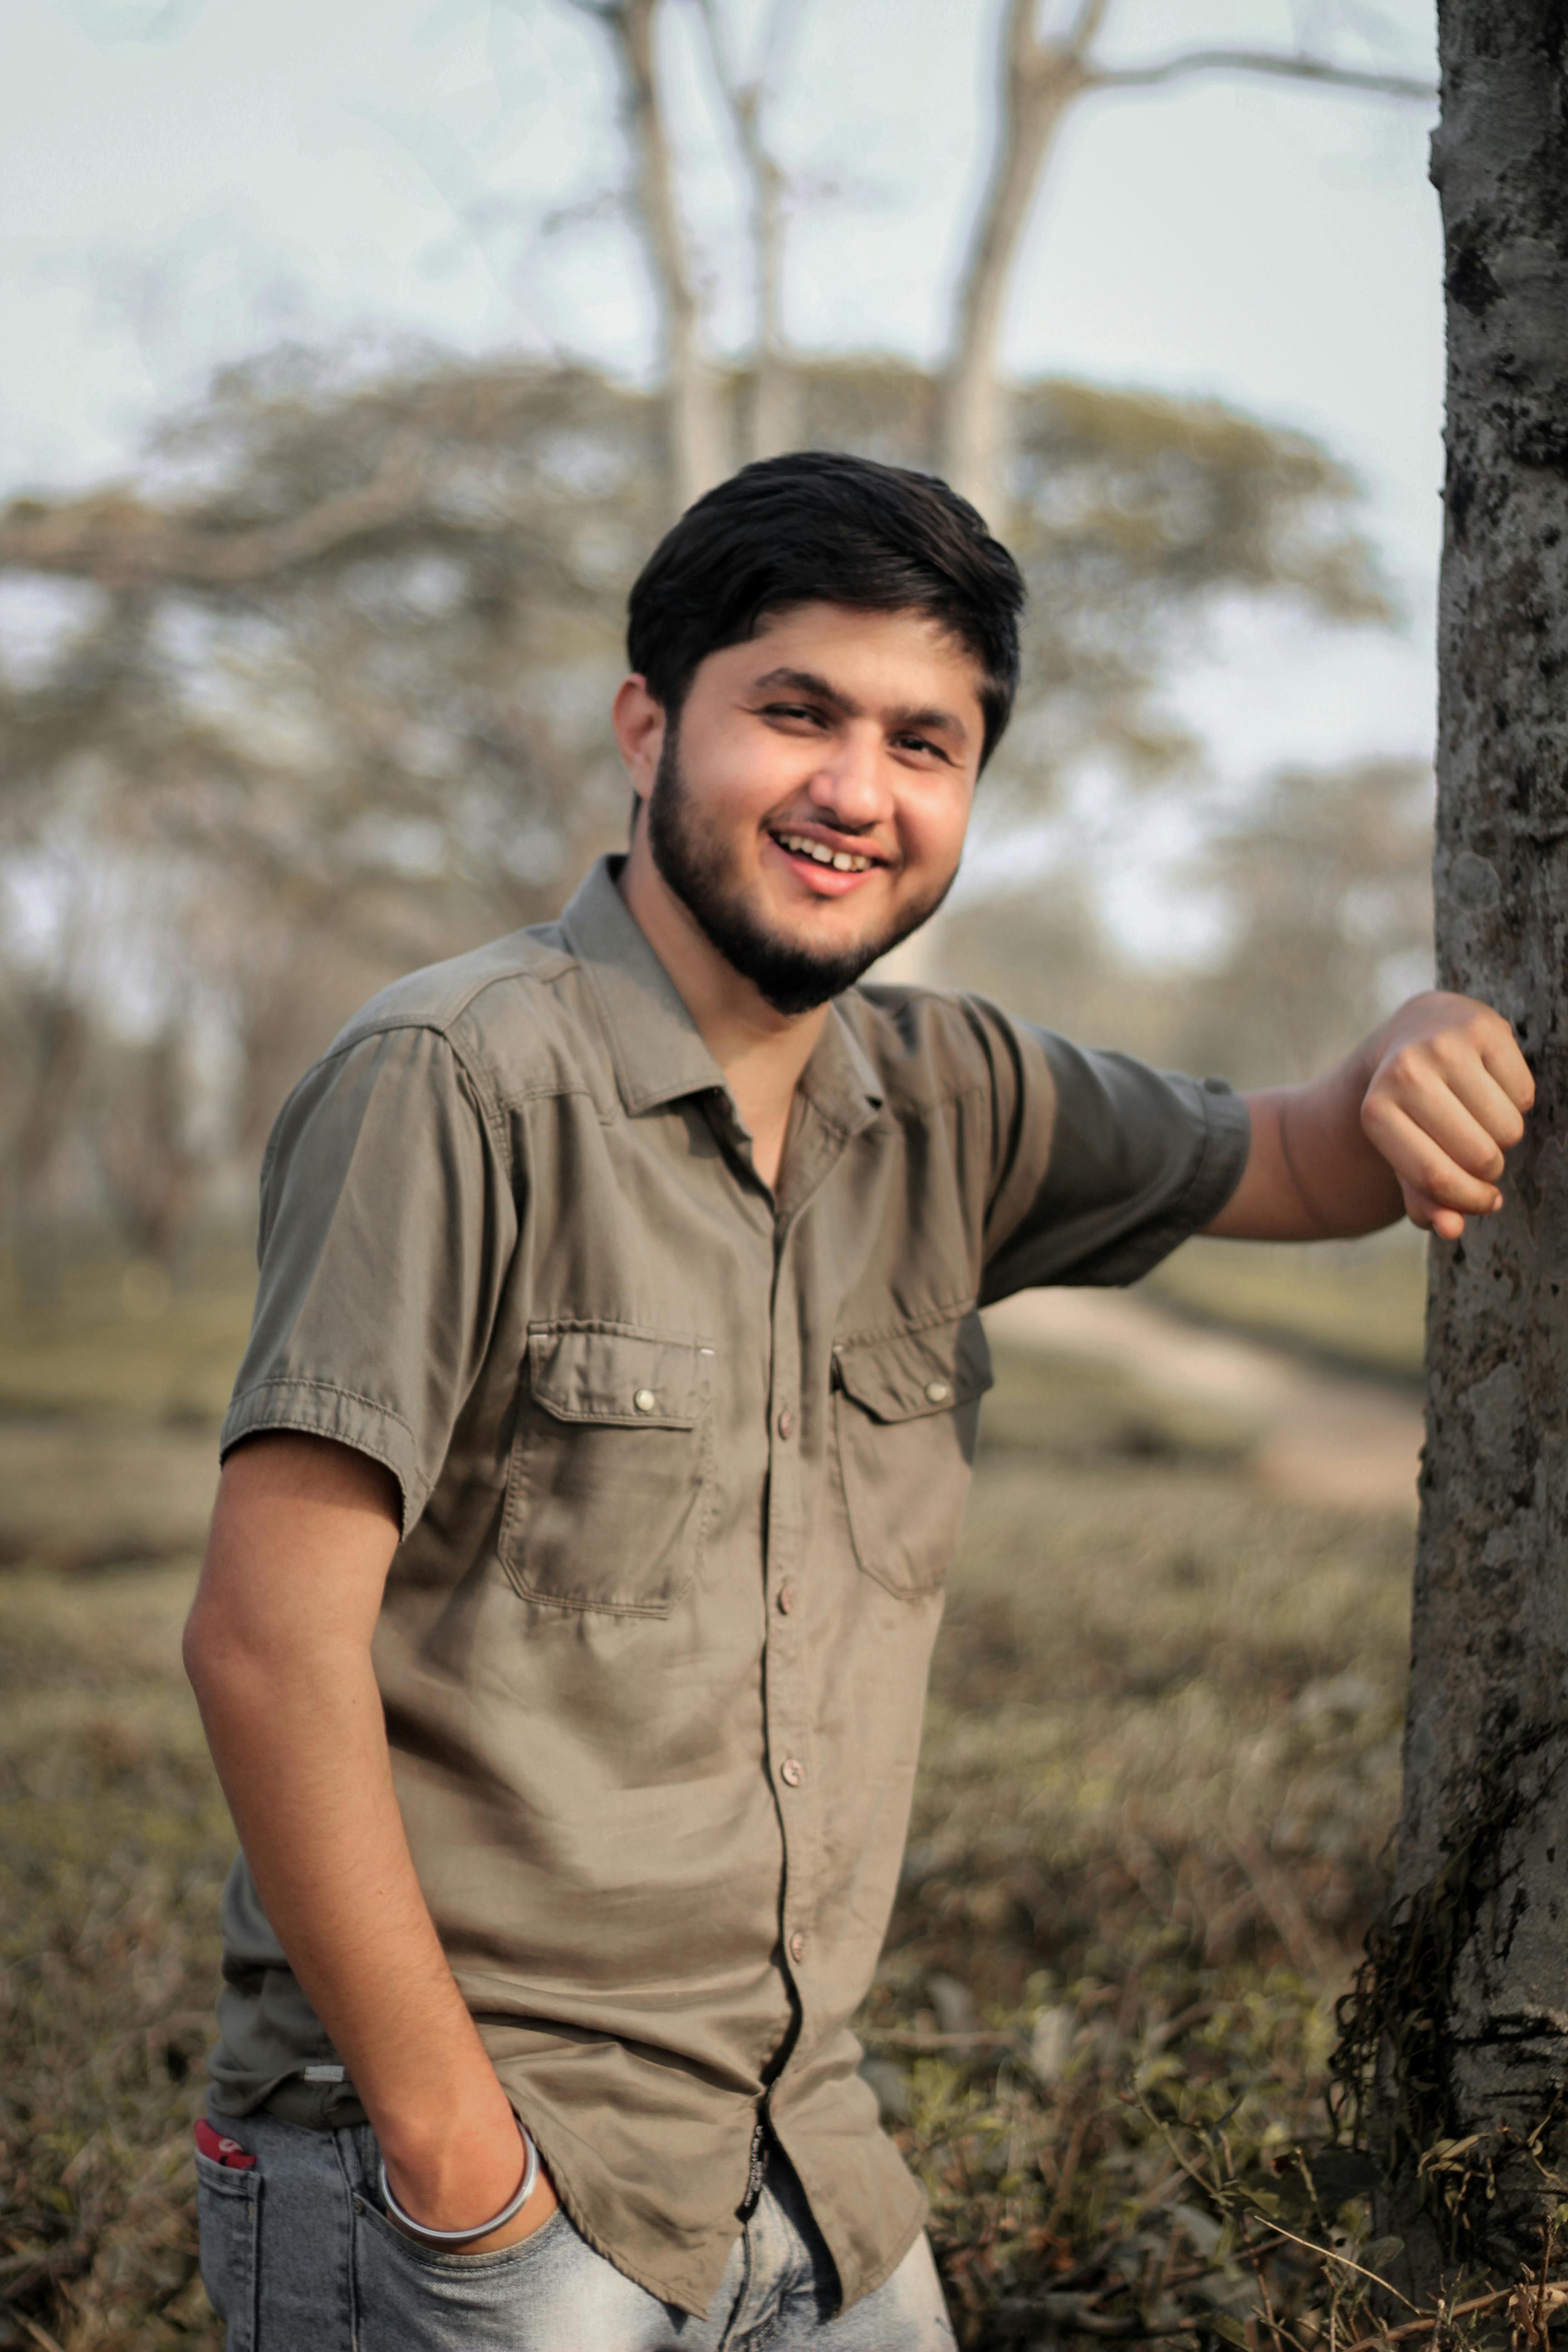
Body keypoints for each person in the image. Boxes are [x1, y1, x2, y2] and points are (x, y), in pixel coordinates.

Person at [183, 451, 1533, 2352]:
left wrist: (1416, 1041)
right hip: (492, 2197)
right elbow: (265, 1644)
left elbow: (1304, 1156)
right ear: (651, 723)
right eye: (796, 713)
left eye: (927, 741)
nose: (856, 790)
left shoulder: (962, 1101)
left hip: (817, 2173)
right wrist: (457, 2160)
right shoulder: (454, 1081)